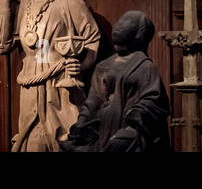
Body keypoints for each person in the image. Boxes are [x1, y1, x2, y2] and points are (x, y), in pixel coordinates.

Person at [0, 0, 100, 151]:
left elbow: (92, 40)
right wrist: (4, 7)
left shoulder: (70, 1)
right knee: (32, 142)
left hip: (60, 87)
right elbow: (1, 46)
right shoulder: (26, 1)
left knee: (61, 142)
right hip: (30, 86)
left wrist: (81, 66)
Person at [61, 11, 170, 152]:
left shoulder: (145, 67)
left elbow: (151, 104)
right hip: (103, 128)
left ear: (139, 34)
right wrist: (82, 123)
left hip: (130, 130)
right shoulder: (103, 66)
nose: (119, 25)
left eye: (126, 23)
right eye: (119, 21)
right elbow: (93, 102)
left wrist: (131, 128)